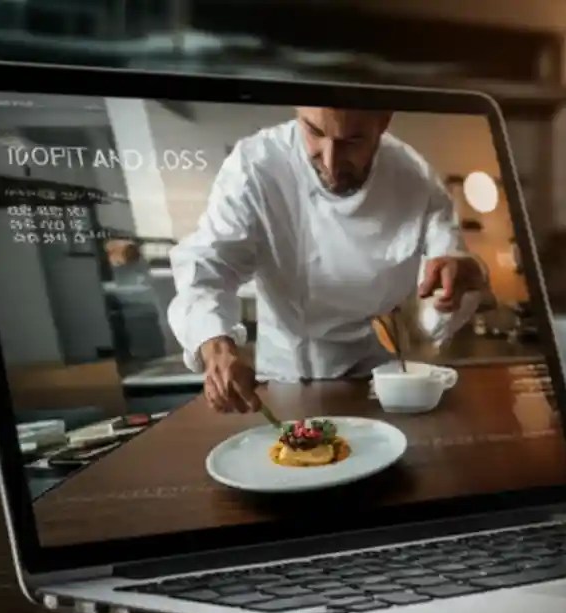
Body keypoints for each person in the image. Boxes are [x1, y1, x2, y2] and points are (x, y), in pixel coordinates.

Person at [168, 107, 488, 414]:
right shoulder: (255, 165)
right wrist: (215, 345)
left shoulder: (416, 180)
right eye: (314, 131)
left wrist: (464, 279)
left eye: (353, 140)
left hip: (376, 381)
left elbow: (443, 288)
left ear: (384, 121)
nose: (332, 163)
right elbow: (207, 267)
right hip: (284, 378)